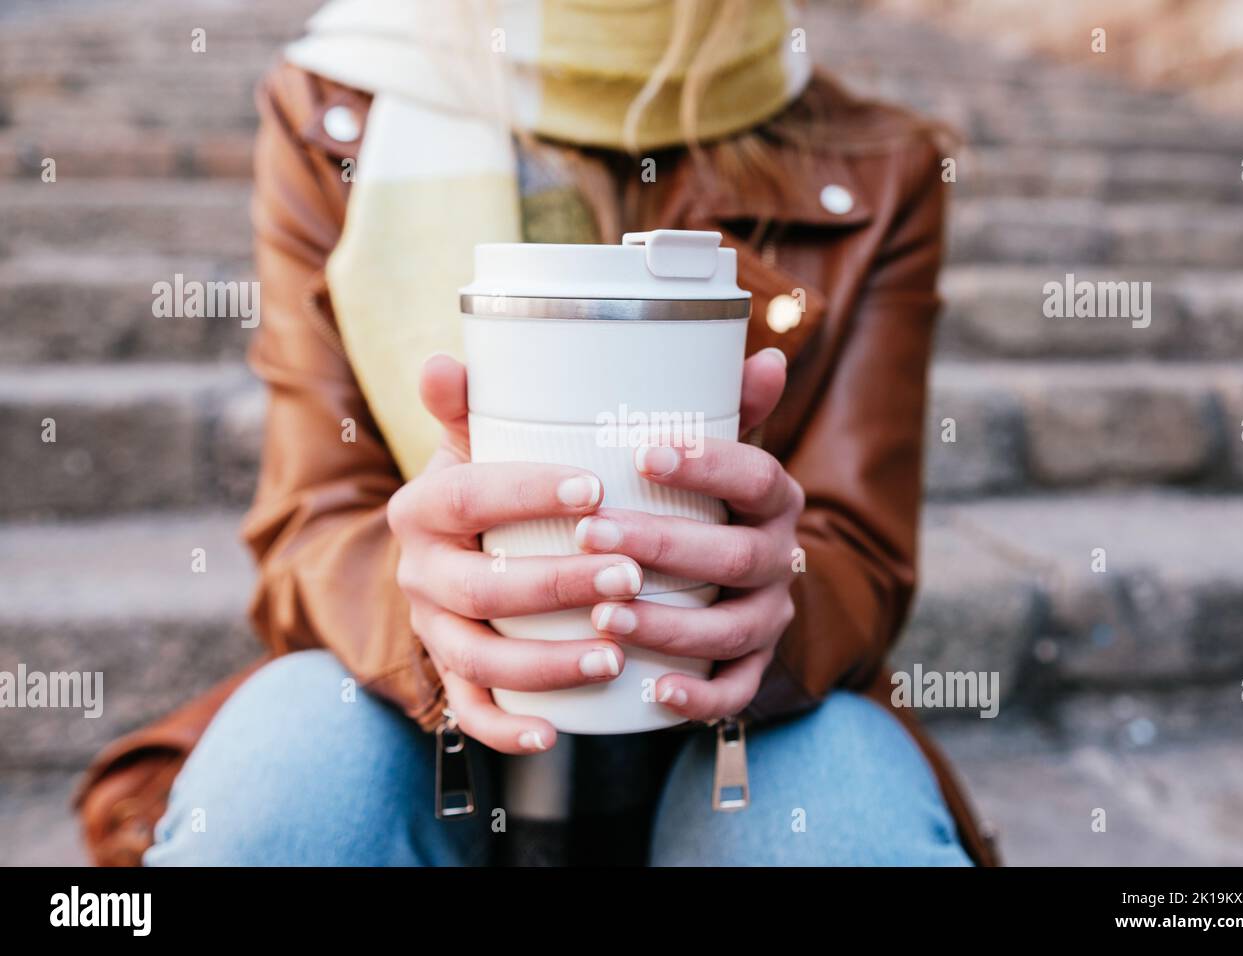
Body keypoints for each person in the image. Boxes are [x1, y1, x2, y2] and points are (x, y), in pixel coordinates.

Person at [84, 0, 997, 867]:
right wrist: (432, 613)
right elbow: (313, 521)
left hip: (742, 718)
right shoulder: (334, 109)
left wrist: (774, 603)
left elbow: (861, 550)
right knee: (292, 784)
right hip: (414, 706)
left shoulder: (879, 162)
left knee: (840, 817)